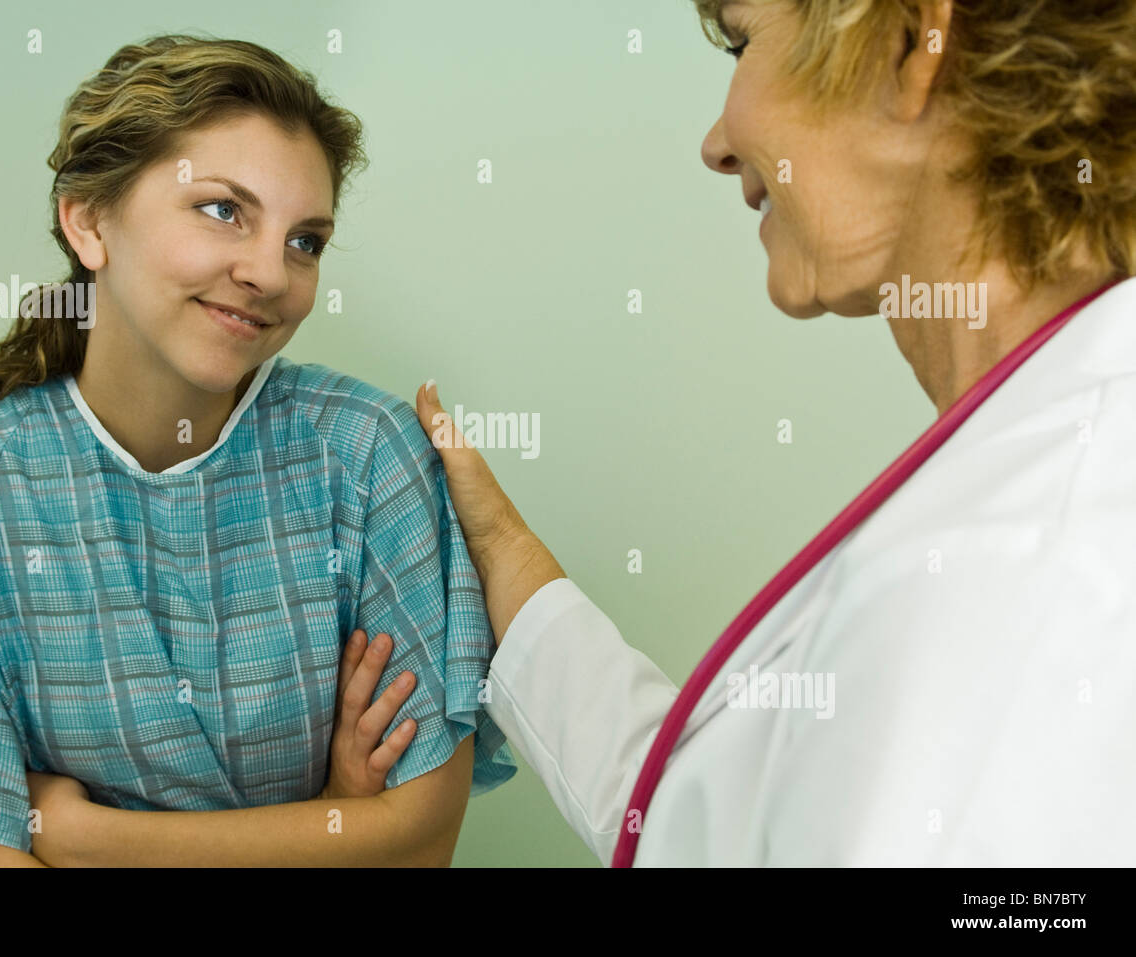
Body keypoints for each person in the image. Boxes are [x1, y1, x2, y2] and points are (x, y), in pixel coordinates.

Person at [396, 0, 1136, 865]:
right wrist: (502, 554)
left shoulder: (1030, 556)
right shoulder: (1040, 464)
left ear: (911, 46)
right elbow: (713, 819)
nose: (716, 142)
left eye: (742, 41)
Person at [0, 34, 514, 867]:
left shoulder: (368, 459)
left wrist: (90, 837)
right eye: (223, 209)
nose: (270, 272)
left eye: (306, 241)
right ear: (88, 220)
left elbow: (419, 844)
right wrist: (333, 821)